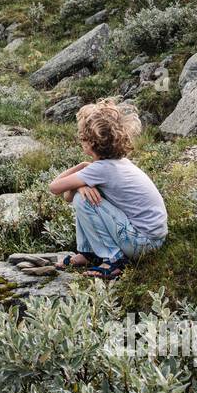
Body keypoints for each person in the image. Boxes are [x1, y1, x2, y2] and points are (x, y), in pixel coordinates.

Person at [47, 98, 167, 280]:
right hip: (150, 239)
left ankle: (114, 261)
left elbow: (54, 187)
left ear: (89, 143)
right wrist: (81, 184)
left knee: (84, 199)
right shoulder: (116, 163)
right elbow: (67, 197)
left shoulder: (101, 169)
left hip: (142, 243)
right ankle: (88, 254)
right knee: (84, 196)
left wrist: (81, 168)